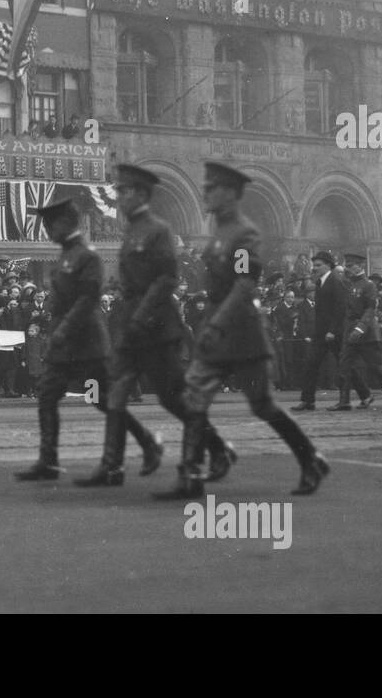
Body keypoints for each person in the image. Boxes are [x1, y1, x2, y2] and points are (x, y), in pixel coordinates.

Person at [159, 162, 329, 498]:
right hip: (218, 332)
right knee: (193, 399)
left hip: (242, 334)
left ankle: (310, 459)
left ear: (230, 194)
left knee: (262, 405)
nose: (205, 193)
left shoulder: (242, 233)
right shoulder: (220, 232)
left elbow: (244, 285)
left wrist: (217, 324)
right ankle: (190, 475)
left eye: (212, 188)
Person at [81, 165, 233, 486]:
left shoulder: (158, 230)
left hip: (156, 327)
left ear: (140, 193)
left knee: (172, 398)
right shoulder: (131, 231)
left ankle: (217, 448)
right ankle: (116, 462)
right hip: (131, 325)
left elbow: (166, 279)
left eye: (123, 191)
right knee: (113, 393)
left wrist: (140, 316)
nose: (119, 197)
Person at [13, 197, 162, 482]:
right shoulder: (66, 255)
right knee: (47, 395)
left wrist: (62, 331)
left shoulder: (87, 255)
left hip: (86, 345)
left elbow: (86, 300)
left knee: (104, 401)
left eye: (50, 224)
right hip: (65, 345)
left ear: (66, 223)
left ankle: (131, 454)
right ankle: (49, 461)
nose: (46, 230)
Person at [329, 254, 382, 410]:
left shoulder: (369, 285)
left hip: (366, 333)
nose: (348, 269)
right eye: (346, 265)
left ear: (360, 266)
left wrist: (360, 328)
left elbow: (370, 308)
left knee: (376, 367)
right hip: (349, 331)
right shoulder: (348, 284)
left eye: (351, 265)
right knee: (344, 365)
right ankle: (344, 401)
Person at [291, 251, 346, 411]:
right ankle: (308, 401)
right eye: (314, 265)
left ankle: (353, 397)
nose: (315, 268)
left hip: (332, 333)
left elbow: (340, 308)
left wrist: (333, 330)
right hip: (321, 333)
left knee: (344, 365)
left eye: (318, 265)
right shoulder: (321, 282)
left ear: (328, 265)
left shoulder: (335, 281)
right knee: (311, 364)